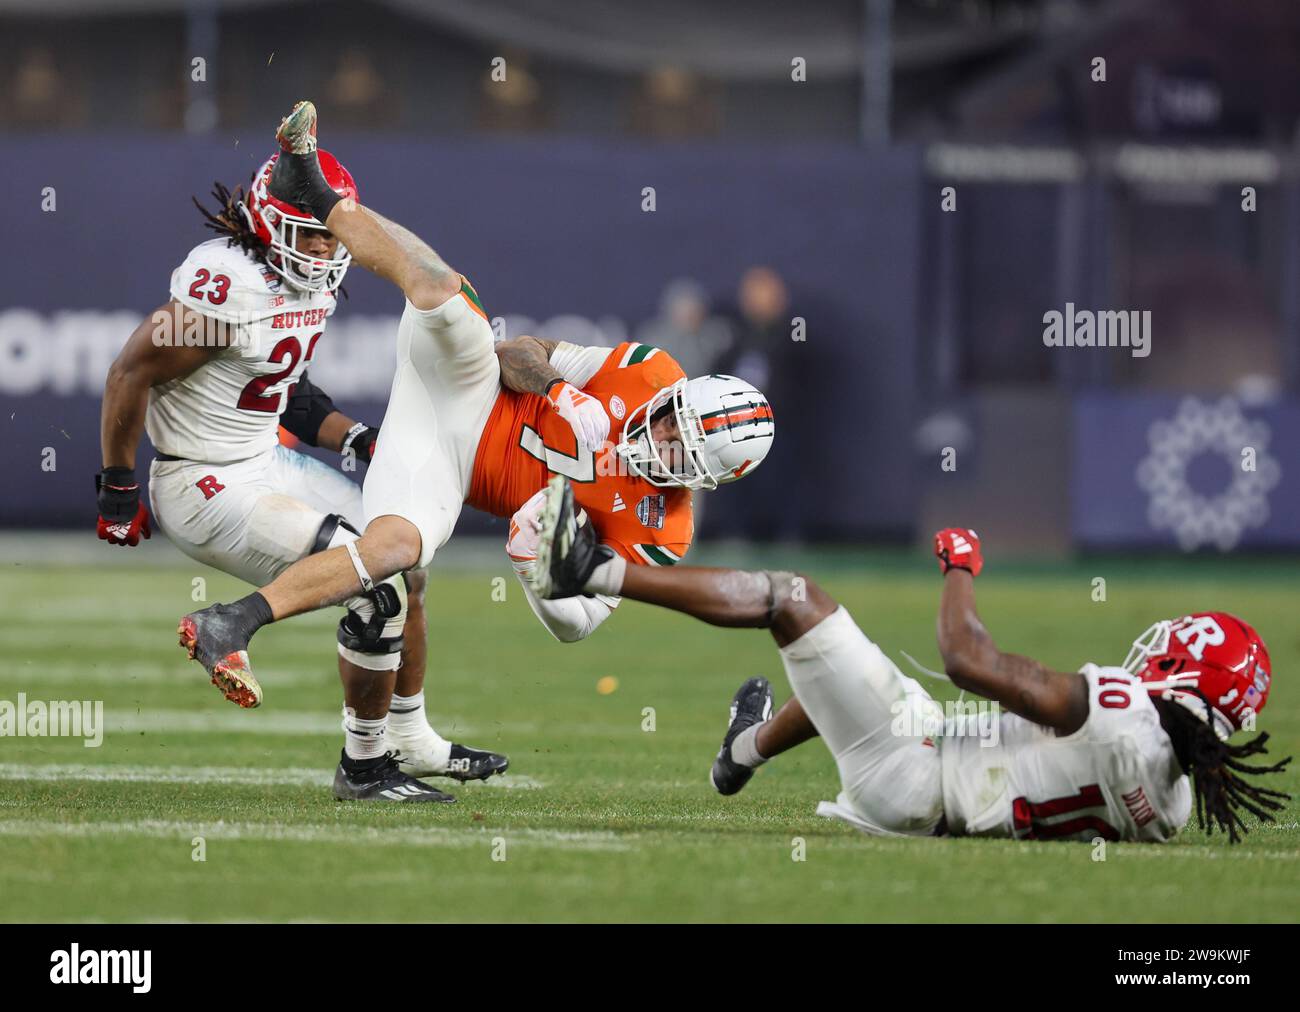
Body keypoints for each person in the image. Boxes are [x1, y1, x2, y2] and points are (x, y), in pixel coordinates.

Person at [178, 100, 775, 790]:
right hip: (465, 385)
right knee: (442, 289)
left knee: (401, 557)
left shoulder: (662, 526)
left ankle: (256, 638)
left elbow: (576, 626)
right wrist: (560, 389)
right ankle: (320, 194)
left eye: (683, 449)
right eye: (673, 418)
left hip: (443, 465)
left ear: (703, 480)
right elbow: (515, 350)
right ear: (675, 394)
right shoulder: (649, 373)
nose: (665, 435)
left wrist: (540, 572)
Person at [532, 479, 1290, 844]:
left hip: (919, 773)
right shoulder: (1175, 808)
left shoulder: (1123, 710)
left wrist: (961, 563)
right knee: (857, 670)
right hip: (944, 791)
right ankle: (741, 751)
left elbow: (966, 657)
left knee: (791, 597)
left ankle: (589, 568)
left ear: (1189, 679)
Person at [98, 141, 505, 805]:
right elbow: (129, 371)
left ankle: (409, 737)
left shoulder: (300, 286)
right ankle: (364, 769)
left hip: (262, 460)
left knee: (405, 557)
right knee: (381, 587)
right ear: (267, 222)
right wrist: (116, 487)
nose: (320, 254)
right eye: (305, 237)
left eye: (327, 239)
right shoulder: (227, 284)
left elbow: (280, 381)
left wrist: (357, 436)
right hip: (205, 482)